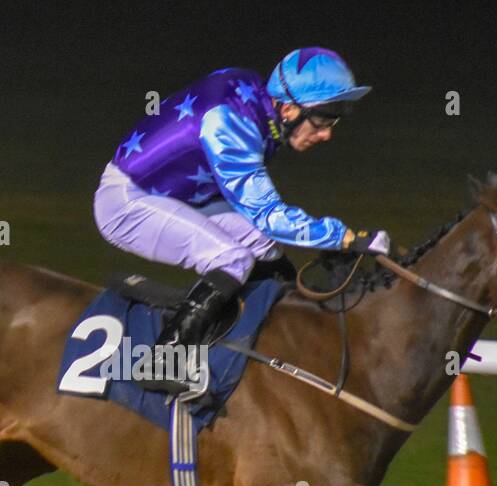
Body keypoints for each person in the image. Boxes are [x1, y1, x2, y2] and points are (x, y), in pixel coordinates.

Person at [93, 47, 390, 391]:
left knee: (266, 253)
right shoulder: (230, 123)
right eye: (322, 121)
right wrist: (345, 238)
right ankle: (161, 362)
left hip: (181, 196)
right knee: (231, 259)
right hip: (127, 202)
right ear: (289, 108)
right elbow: (268, 215)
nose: (326, 135)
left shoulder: (261, 100)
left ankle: (268, 346)